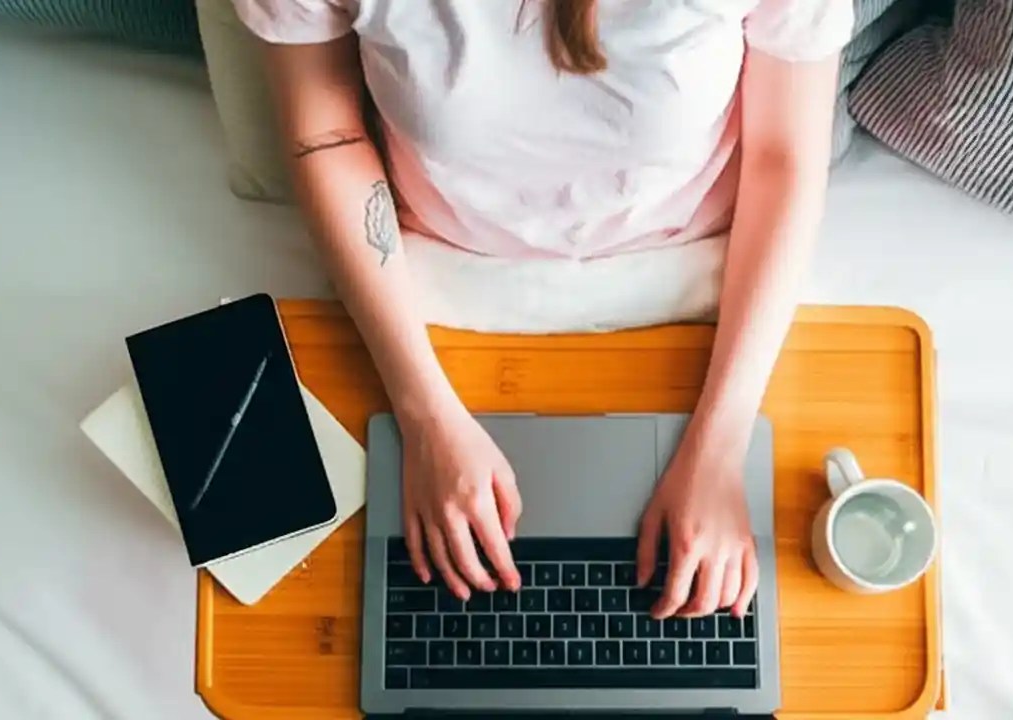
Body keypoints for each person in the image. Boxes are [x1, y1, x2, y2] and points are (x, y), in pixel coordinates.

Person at [233, 0, 851, 619]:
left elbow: (784, 160)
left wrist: (721, 451)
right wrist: (424, 416)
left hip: (700, 277)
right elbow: (326, 135)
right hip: (431, 280)